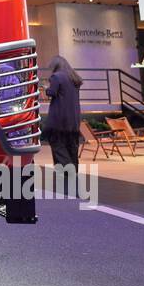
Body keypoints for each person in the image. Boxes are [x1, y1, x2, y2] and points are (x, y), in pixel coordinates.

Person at [44, 56, 83, 195]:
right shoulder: (74, 77)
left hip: (58, 119)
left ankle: (67, 173)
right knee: (71, 147)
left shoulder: (56, 76)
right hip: (73, 119)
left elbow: (52, 92)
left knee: (58, 146)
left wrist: (45, 89)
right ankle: (72, 176)